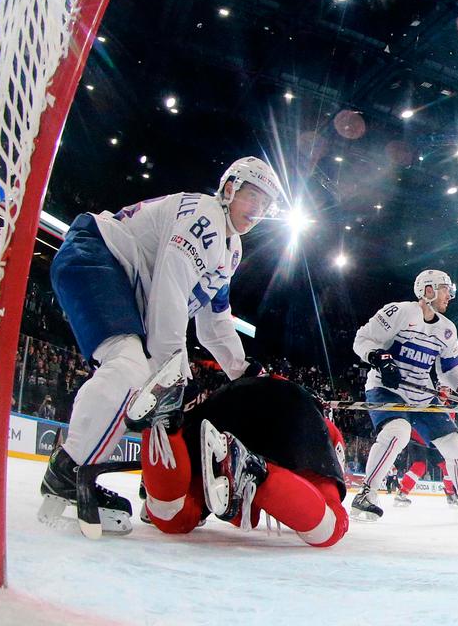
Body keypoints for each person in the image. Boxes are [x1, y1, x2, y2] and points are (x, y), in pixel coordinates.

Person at [37, 157, 284, 536]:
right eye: (252, 196)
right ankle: (69, 471)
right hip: (96, 256)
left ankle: (129, 482)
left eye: (265, 204)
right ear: (229, 188)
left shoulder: (231, 249)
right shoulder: (206, 216)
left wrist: (243, 369)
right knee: (131, 368)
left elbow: (214, 322)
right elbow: (170, 288)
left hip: (121, 280)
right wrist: (172, 368)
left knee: (145, 381)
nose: (257, 210)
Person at [128, 372, 349, 547]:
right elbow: (329, 479)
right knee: (332, 526)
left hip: (226, 400)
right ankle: (254, 471)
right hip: (290, 407)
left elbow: (245, 516)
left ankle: (162, 424)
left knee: (174, 516)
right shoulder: (325, 426)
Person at [348, 269, 458, 524]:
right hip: (386, 388)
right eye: (445, 289)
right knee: (398, 431)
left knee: (455, 444)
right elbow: (362, 339)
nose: (449, 296)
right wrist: (380, 358)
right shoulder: (400, 312)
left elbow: (450, 371)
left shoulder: (447, 329)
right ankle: (366, 494)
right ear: (428, 290)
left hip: (421, 395)